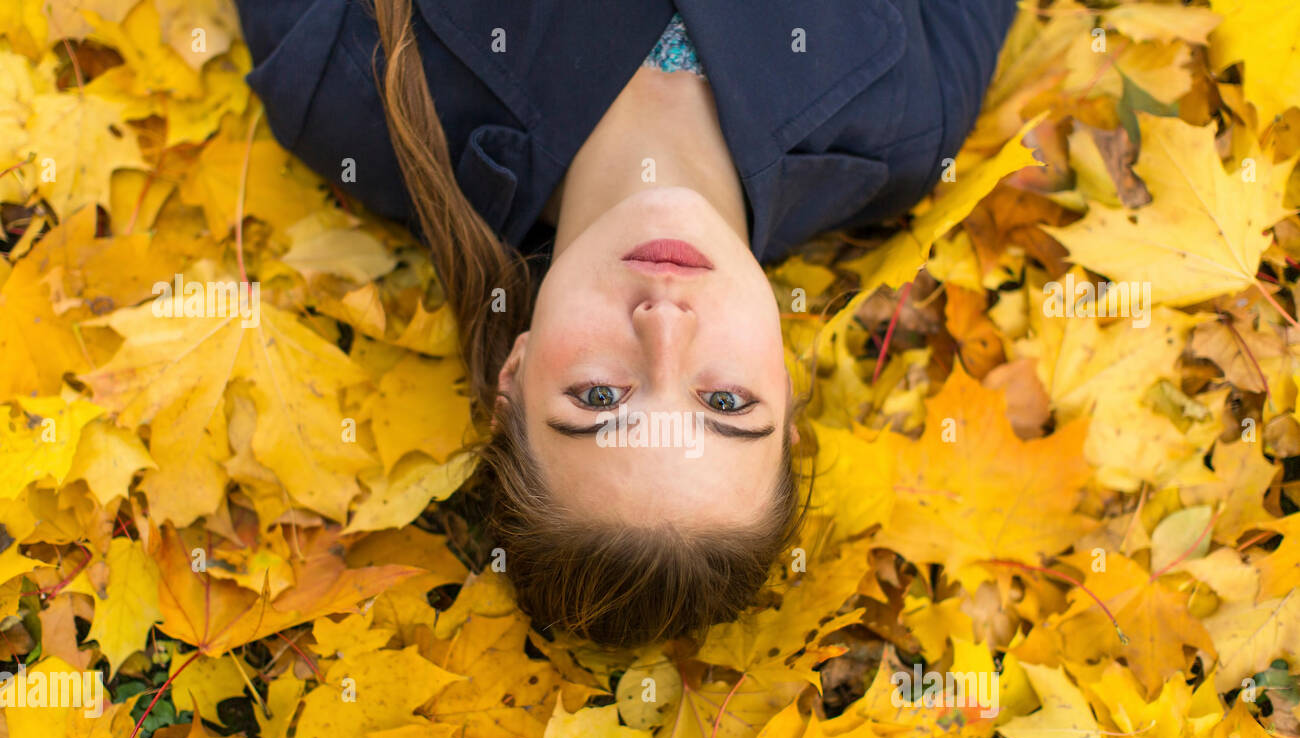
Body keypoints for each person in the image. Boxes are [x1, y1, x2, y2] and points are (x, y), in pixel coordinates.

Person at [233, 0, 1019, 647]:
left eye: (601, 396)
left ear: (513, 376)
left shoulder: (349, 93)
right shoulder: (909, 121)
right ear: (784, 390)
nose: (665, 327)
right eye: (728, 405)